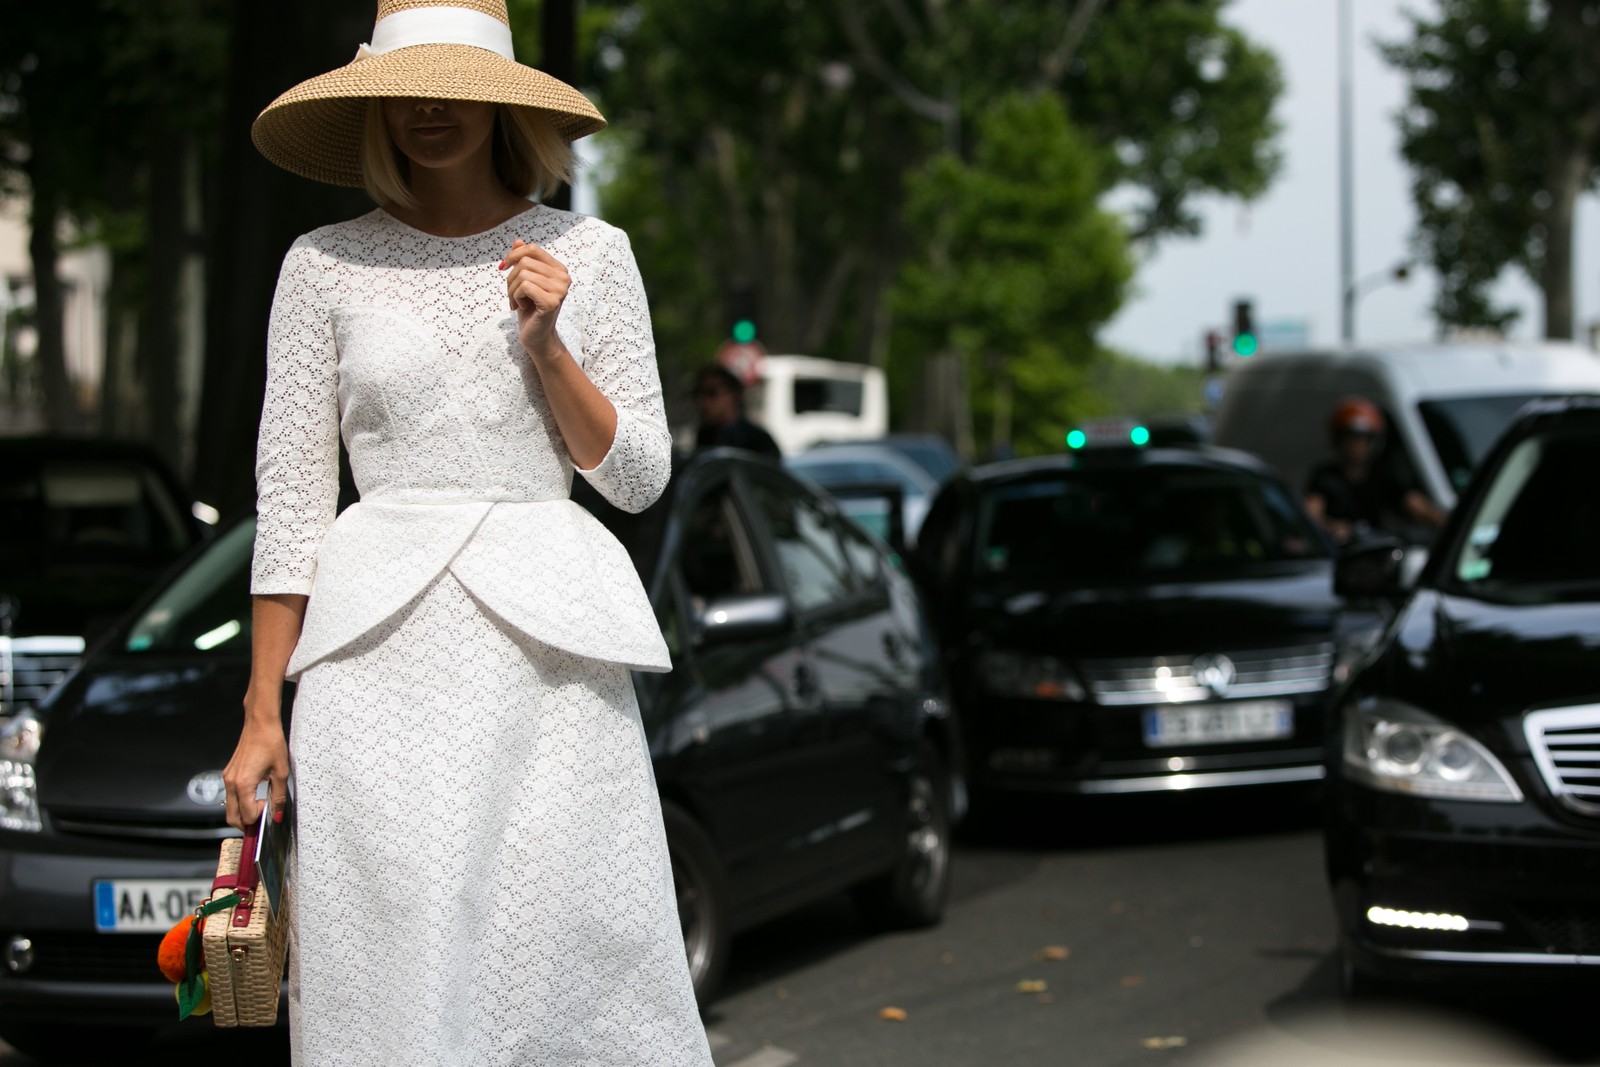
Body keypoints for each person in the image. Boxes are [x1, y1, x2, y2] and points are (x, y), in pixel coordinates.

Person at [223, 3, 713, 1063]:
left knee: (567, 955)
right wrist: (263, 711)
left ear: (502, 103)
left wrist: (547, 344)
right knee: (385, 956)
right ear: (376, 104)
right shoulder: (321, 264)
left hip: (549, 662)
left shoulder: (593, 250)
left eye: (455, 86)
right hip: (373, 664)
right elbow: (293, 500)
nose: (430, 109)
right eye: (406, 88)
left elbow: (635, 478)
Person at [1304, 396, 1445, 544]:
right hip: (1343, 551)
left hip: (1380, 549)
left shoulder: (1384, 474)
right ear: (1337, 440)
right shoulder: (1326, 477)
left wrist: (1447, 524)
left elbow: (1414, 504)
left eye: (1362, 438)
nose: (1356, 445)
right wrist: (1332, 526)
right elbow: (1311, 513)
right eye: (1350, 438)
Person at [692, 363, 781, 457]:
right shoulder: (705, 436)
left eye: (711, 393)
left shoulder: (758, 440)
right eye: (697, 394)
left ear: (733, 395)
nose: (703, 402)